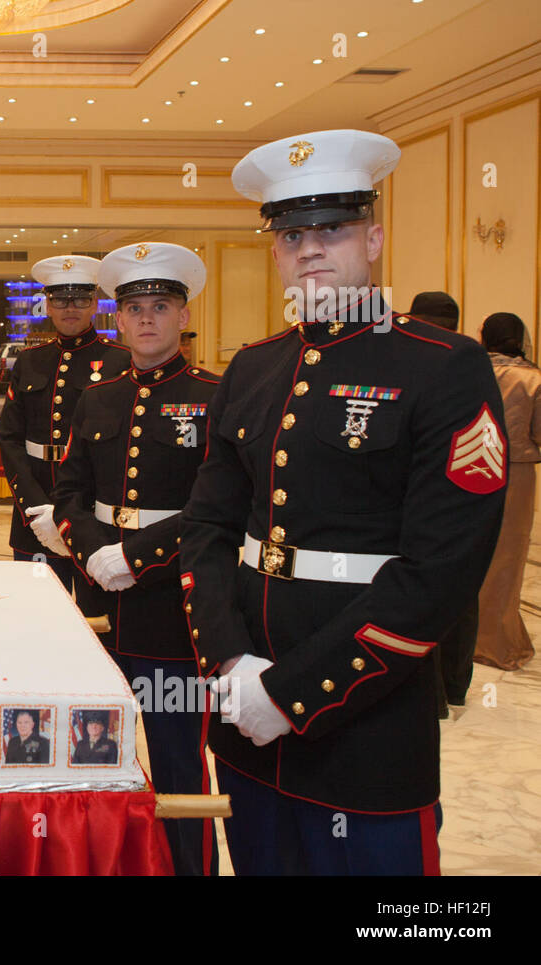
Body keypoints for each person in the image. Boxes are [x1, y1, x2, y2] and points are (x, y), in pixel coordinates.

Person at [180, 129, 507, 875]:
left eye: (333, 228)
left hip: (366, 719)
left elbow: (439, 573)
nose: (311, 248)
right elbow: (208, 525)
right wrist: (229, 660)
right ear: (276, 251)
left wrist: (293, 694)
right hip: (245, 713)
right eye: (293, 233)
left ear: (375, 237)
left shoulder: (442, 366)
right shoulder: (255, 367)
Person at [52, 242, 219, 875]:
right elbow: (69, 490)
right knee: (93, 756)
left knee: (178, 759)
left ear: (182, 316)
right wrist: (94, 552)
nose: (146, 319)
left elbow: (216, 504)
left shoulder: (214, 395)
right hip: (96, 603)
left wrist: (136, 556)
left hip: (174, 606)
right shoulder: (97, 398)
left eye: (160, 306)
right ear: (116, 321)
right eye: (134, 309)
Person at [0, 255, 131, 597]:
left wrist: (77, 514)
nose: (70, 307)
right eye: (60, 299)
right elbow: (10, 439)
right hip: (34, 513)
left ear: (95, 304)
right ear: (47, 305)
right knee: (33, 614)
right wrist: (35, 509)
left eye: (81, 298)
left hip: (92, 516)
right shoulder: (29, 360)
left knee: (96, 620)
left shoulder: (121, 360)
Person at [407, 291, 476, 716]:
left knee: (424, 594)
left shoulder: (415, 361)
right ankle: (452, 688)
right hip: (457, 499)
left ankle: (439, 692)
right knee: (460, 594)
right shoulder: (464, 359)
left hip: (423, 498)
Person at [476, 312, 541, 671]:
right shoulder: (532, 378)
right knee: (507, 555)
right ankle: (496, 642)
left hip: (470, 466)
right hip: (515, 473)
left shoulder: (471, 370)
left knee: (472, 549)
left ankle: (462, 636)